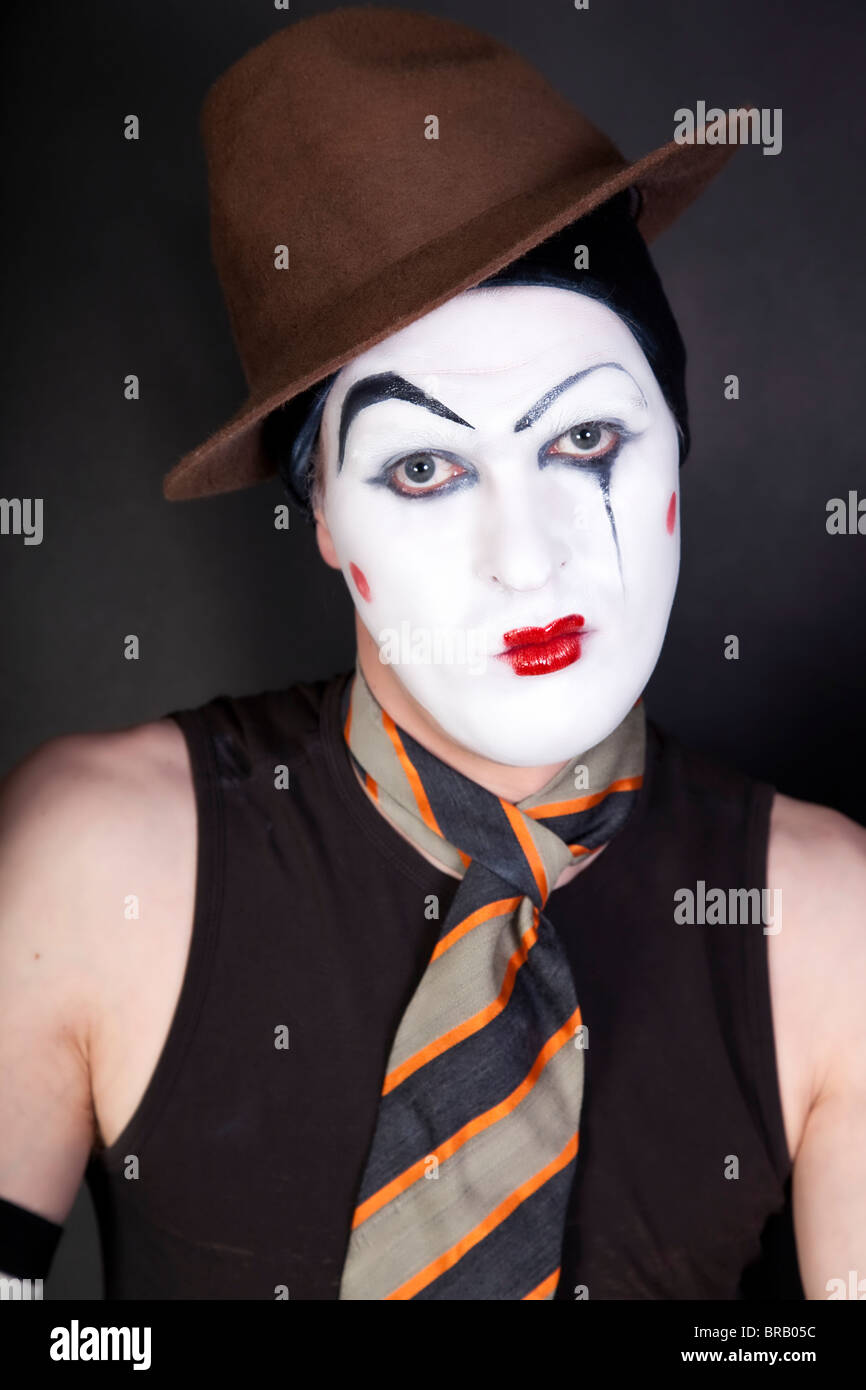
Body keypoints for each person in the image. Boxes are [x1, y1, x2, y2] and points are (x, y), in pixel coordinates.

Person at [1, 7, 864, 1301]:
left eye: (579, 442)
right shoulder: (100, 860)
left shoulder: (824, 920)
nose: (525, 559)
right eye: (422, 465)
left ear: (674, 454)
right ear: (330, 528)